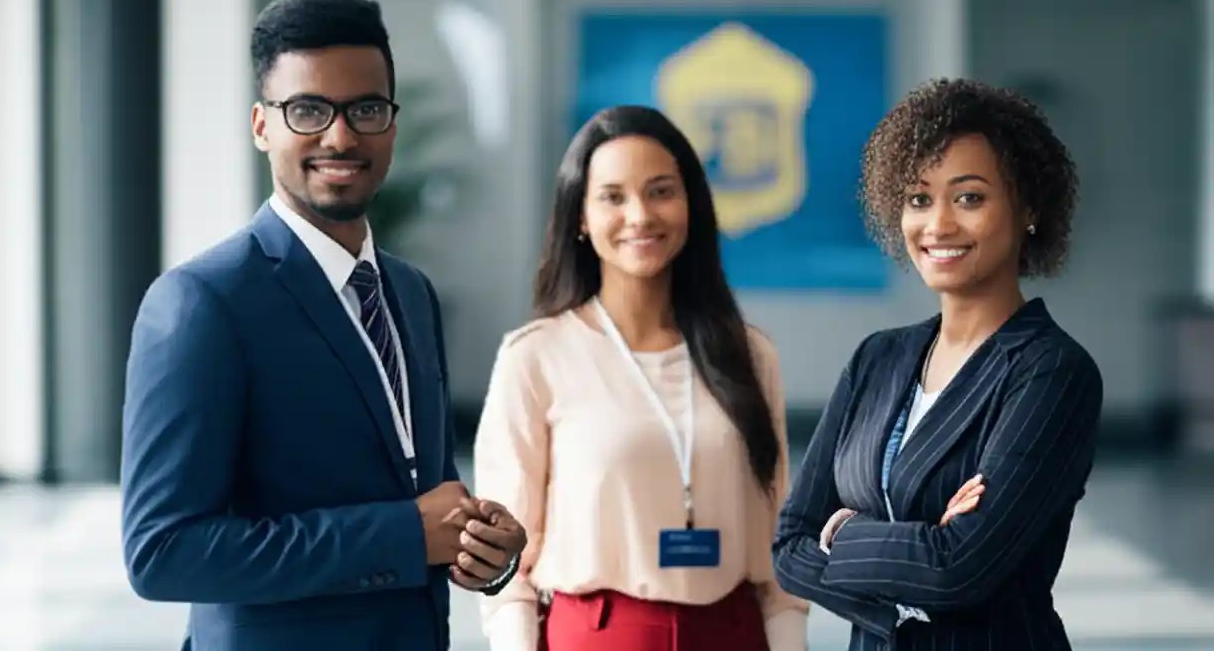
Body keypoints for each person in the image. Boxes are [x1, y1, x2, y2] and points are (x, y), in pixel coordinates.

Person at [119, 0, 526, 651]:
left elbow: (416, 492)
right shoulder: (201, 303)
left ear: (391, 121)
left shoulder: (410, 294)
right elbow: (163, 551)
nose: (340, 136)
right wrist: (403, 534)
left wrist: (478, 545)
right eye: (308, 110)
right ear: (261, 125)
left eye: (365, 109)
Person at [772, 78, 1102, 650]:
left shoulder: (1051, 371)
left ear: (1027, 208)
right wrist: (913, 556)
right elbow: (788, 548)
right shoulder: (878, 359)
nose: (938, 225)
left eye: (969, 197)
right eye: (919, 199)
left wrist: (846, 531)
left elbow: (959, 568)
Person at [472, 105, 810, 651]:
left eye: (660, 191)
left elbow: (777, 542)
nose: (640, 215)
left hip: (731, 630)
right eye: (612, 196)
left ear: (690, 206)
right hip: (598, 633)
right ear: (580, 216)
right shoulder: (535, 357)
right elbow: (507, 561)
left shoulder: (748, 354)